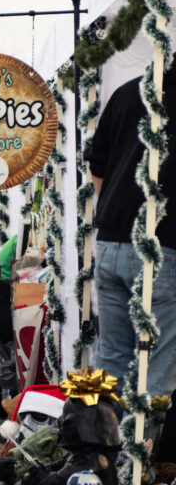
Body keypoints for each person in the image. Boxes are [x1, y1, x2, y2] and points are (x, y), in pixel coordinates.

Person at [88, 67, 176, 400]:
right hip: (162, 246)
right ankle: (138, 451)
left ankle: (103, 448)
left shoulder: (127, 91)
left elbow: (96, 167)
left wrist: (115, 207)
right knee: (158, 369)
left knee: (111, 359)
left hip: (111, 241)